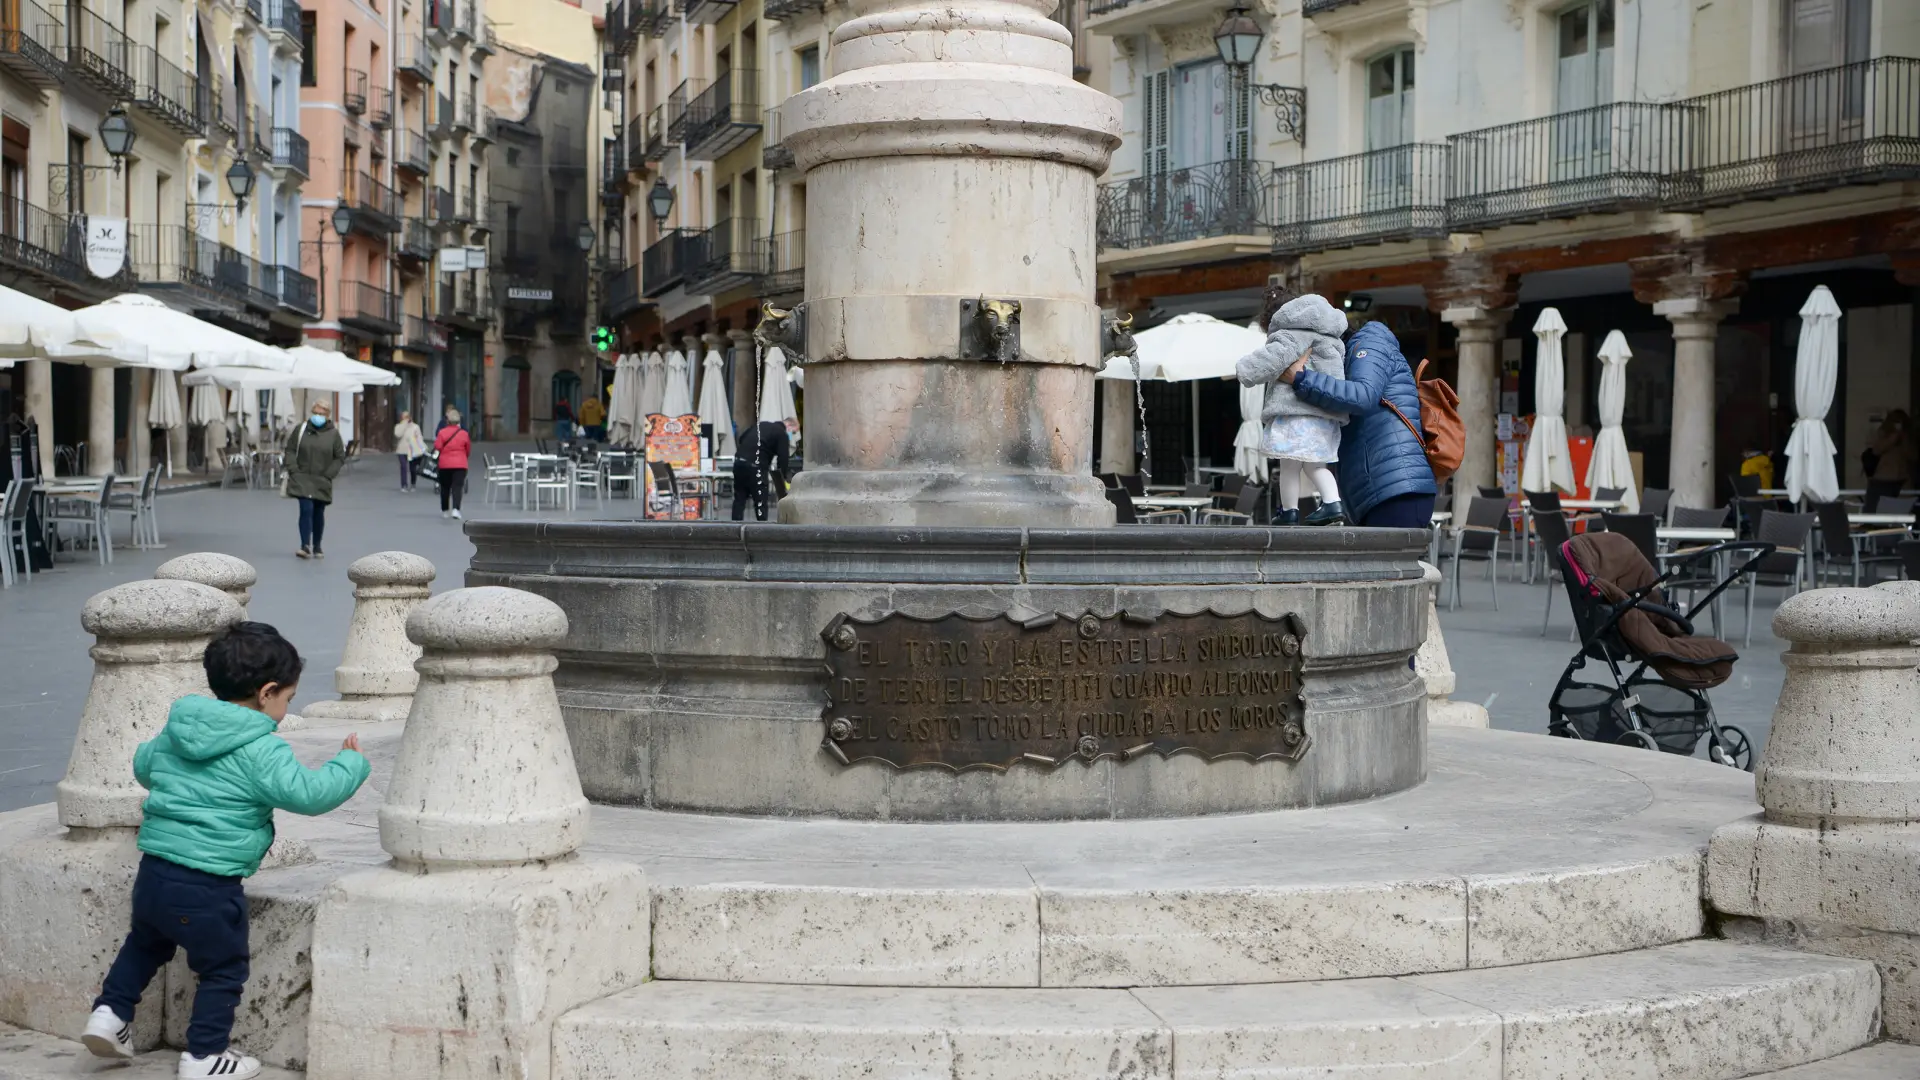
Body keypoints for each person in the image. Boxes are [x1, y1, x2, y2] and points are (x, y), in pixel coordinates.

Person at [82, 622, 369, 1080]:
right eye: (288, 699)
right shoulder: (261, 749)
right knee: (223, 969)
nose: (285, 709)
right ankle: (205, 1055)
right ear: (267, 692)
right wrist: (350, 763)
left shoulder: (179, 728)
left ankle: (110, 1014)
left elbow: (143, 765)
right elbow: (310, 794)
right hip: (209, 886)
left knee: (145, 944)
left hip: (154, 873)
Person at [1280, 295, 1438, 528]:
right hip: (1380, 493)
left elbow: (1363, 396)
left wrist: (1302, 379)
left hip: (1396, 490)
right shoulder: (1348, 362)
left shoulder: (1370, 342)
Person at [1238, 294, 1351, 525]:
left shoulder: (1293, 334)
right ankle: (1332, 502)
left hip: (1295, 414)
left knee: (1289, 466)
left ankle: (1289, 512)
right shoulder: (1333, 340)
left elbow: (1271, 359)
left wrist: (1244, 369)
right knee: (1315, 466)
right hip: (1325, 417)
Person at [284, 400, 346, 559]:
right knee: (306, 509)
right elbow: (290, 450)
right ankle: (304, 545)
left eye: (322, 413)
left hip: (322, 479)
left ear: (327, 415)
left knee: (318, 512)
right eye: (316, 413)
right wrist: (293, 469)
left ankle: (317, 545)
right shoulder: (301, 429)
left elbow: (339, 457)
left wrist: (329, 474)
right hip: (302, 477)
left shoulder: (333, 434)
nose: (318, 416)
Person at [731, 419, 791, 521]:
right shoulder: (782, 434)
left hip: (739, 462)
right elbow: (783, 458)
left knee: (739, 498)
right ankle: (761, 526)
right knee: (760, 500)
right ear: (788, 426)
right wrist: (783, 476)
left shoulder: (759, 425)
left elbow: (741, 438)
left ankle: (734, 526)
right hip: (756, 466)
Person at [434, 407, 472, 520]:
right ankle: (456, 509)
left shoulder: (442, 433)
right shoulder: (464, 434)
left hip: (445, 464)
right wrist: (463, 456)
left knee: (445, 487)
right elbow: (468, 449)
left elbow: (438, 446)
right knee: (457, 487)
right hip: (460, 464)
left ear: (447, 421)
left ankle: (445, 510)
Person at [1868, 410, 1913, 489]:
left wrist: (1904, 437)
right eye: (1896, 421)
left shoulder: (1907, 436)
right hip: (1885, 477)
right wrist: (1893, 436)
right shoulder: (1882, 433)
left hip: (1902, 477)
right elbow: (1876, 450)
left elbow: (1912, 455)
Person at [393, 410, 426, 492]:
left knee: (412, 468)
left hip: (413, 450)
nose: (406, 418)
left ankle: (413, 483)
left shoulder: (415, 427)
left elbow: (419, 437)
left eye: (407, 417)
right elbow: (398, 434)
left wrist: (422, 447)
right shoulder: (398, 426)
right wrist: (404, 425)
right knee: (403, 467)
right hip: (402, 450)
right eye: (404, 417)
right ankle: (404, 485)